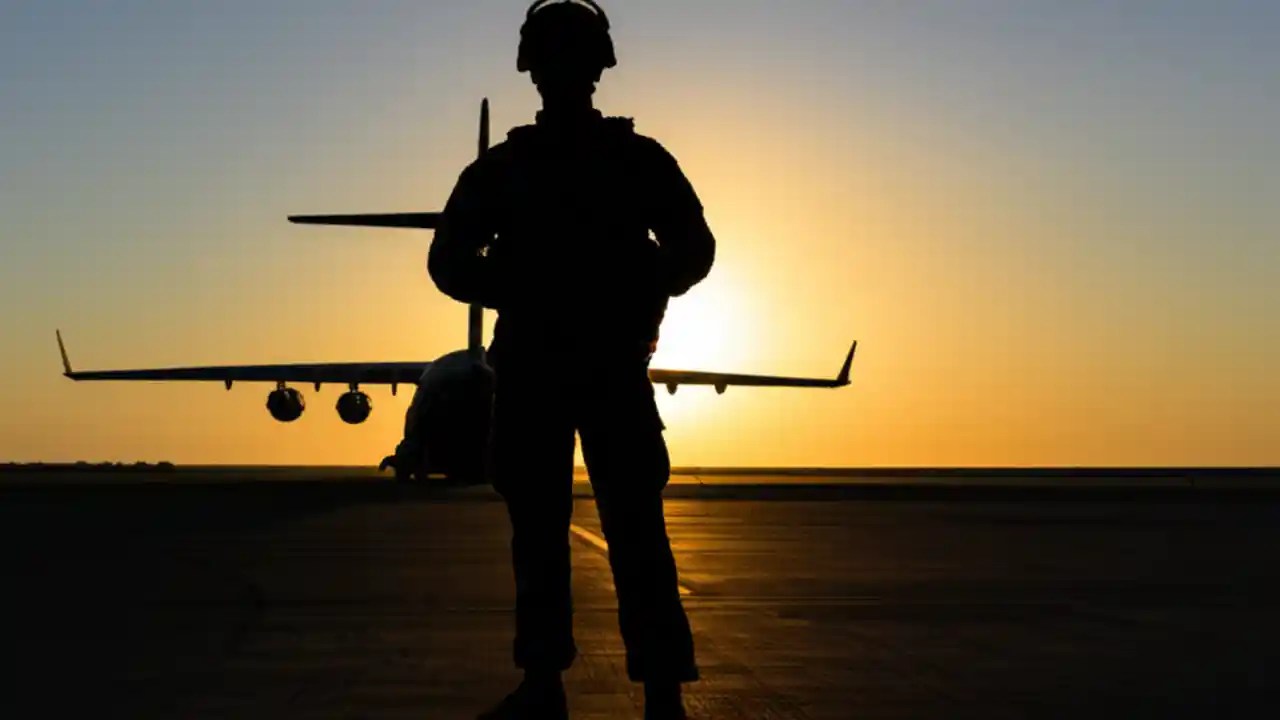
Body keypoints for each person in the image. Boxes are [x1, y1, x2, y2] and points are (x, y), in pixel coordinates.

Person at [427, 2, 715, 717]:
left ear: (529, 67)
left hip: (541, 371)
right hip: (605, 370)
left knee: (543, 536)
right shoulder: (637, 161)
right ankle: (658, 694)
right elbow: (693, 251)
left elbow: (450, 264)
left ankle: (546, 685)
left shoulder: (504, 170)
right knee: (632, 532)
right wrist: (638, 287)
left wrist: (517, 290)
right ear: (601, 66)